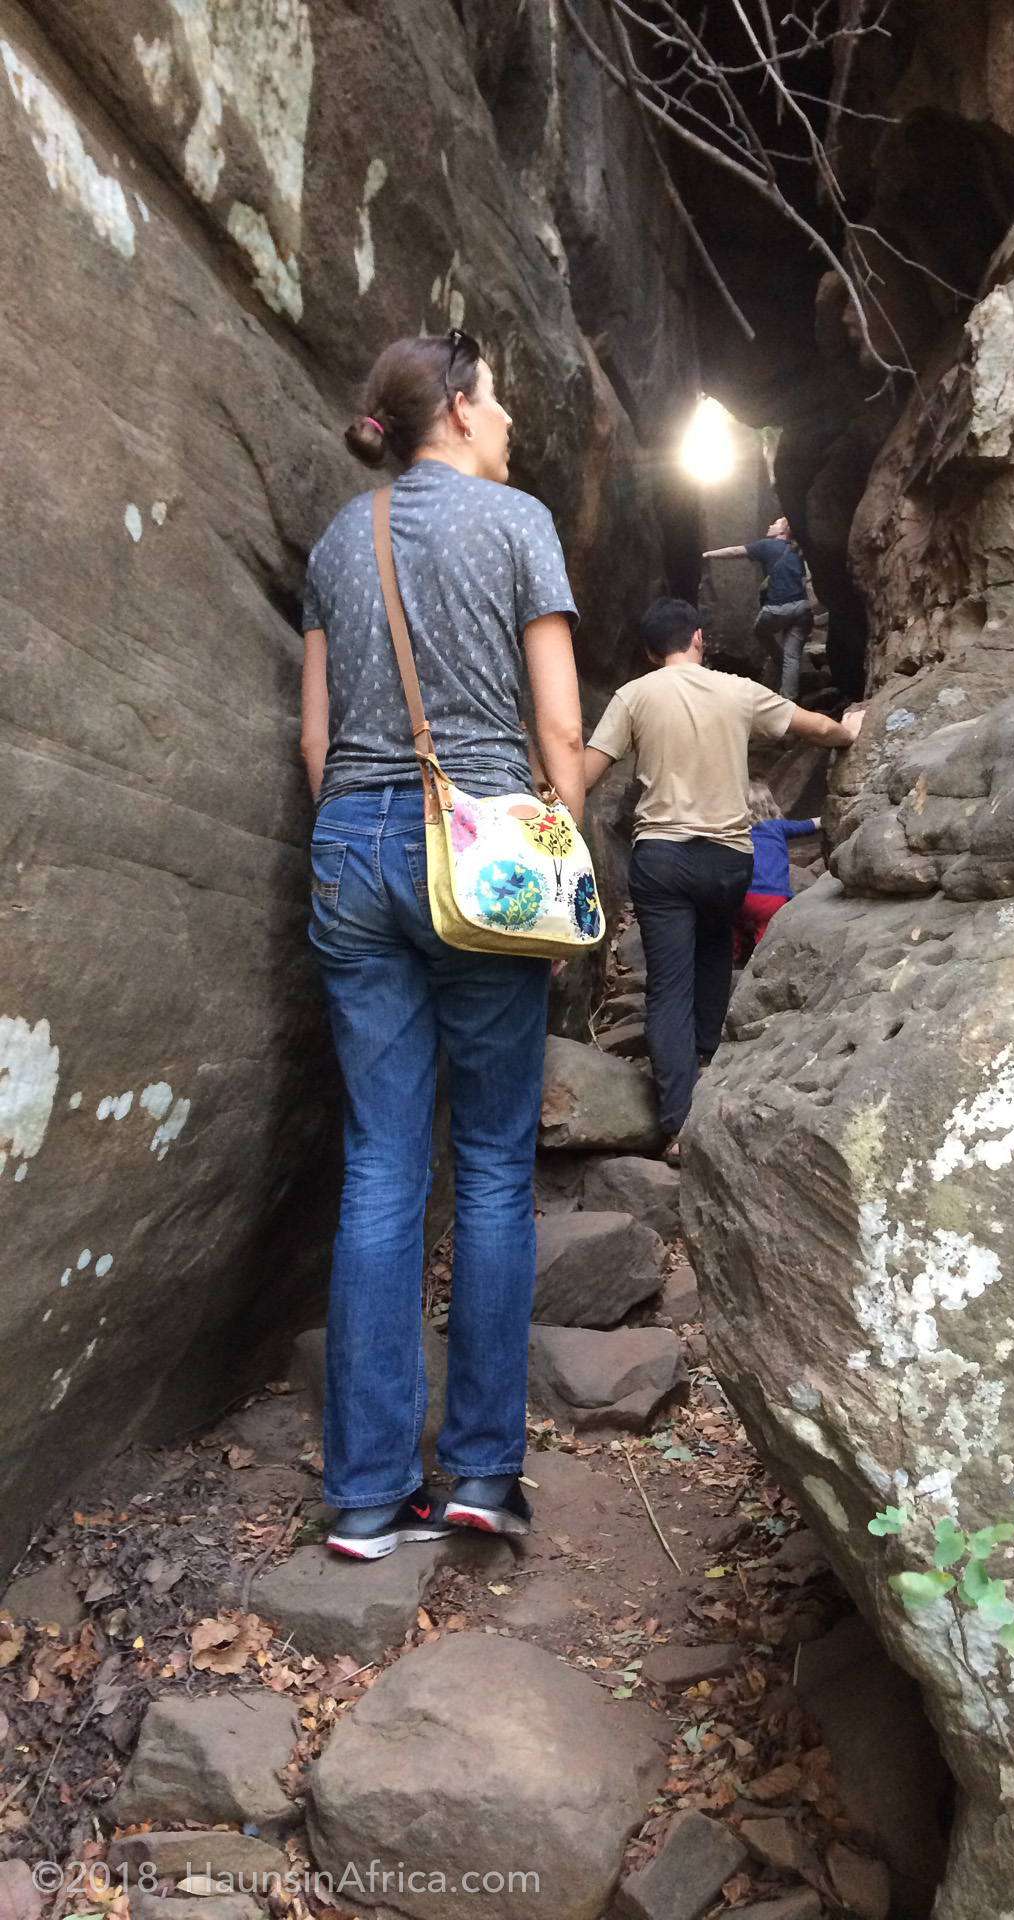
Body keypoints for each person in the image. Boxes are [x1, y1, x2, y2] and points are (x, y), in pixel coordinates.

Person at [299, 328, 585, 1561]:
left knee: (378, 1167)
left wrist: (363, 841)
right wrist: (569, 863)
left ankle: (366, 1493)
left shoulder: (333, 544)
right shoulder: (515, 522)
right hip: (479, 849)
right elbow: (559, 729)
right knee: (488, 1163)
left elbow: (315, 748)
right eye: (500, 394)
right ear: (459, 411)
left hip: (352, 845)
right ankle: (477, 1474)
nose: (512, 415)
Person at [583, 598, 862, 1162]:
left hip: (661, 858)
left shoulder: (633, 696)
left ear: (647, 651)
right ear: (699, 639)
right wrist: (848, 729)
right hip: (728, 859)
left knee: (666, 987)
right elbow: (816, 728)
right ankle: (708, 1058)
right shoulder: (737, 689)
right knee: (714, 953)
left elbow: (587, 771)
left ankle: (678, 1123)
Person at [703, 516, 813, 701]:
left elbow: (736, 551)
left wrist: (707, 555)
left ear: (782, 532)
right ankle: (789, 701)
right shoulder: (796, 551)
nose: (770, 525)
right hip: (802, 609)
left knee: (760, 631)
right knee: (792, 657)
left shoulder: (767, 546)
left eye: (775, 524)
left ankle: (778, 661)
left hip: (778, 609)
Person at [736, 782, 820, 953]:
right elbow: (806, 826)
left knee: (731, 927)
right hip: (773, 896)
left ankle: (731, 956)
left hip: (741, 895)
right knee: (767, 935)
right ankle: (758, 962)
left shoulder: (737, 830)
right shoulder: (778, 827)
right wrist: (826, 819)